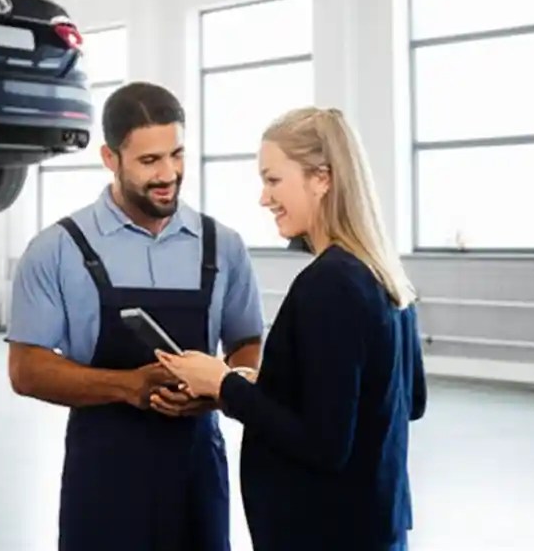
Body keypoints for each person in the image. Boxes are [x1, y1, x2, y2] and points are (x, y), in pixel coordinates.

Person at [7, 81, 266, 551]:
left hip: (197, 471)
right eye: (150, 161)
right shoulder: (57, 250)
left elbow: (248, 346)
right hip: (103, 477)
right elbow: (26, 370)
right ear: (110, 158)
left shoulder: (223, 246)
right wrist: (128, 386)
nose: (169, 173)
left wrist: (218, 390)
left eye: (177, 154)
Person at [156, 107, 427, 551]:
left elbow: (323, 443)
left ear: (322, 178)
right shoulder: (386, 276)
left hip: (323, 531)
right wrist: (260, 383)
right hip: (374, 522)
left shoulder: (330, 283)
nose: (264, 198)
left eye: (273, 180)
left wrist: (222, 383)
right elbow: (406, 401)